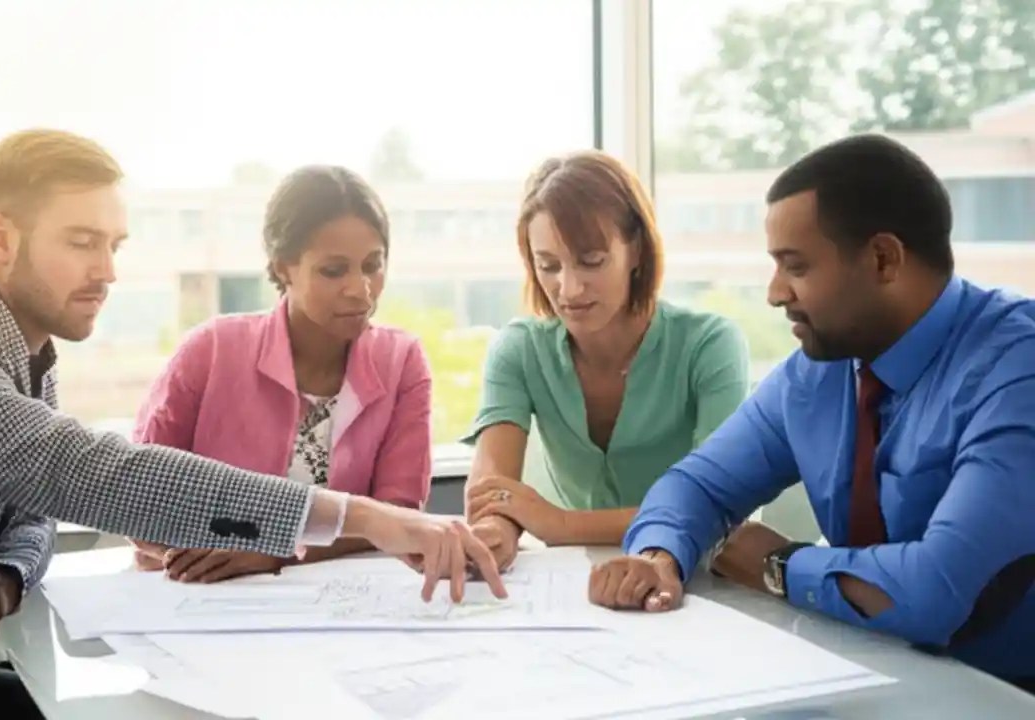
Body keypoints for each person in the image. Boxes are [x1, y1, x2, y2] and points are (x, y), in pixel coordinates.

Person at [0, 129, 505, 720]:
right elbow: (88, 474)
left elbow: (33, 514)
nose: (109, 271)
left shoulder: (20, 356)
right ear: (0, 239)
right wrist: (365, 517)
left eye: (114, 246)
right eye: (82, 242)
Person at [592, 134, 1035, 691]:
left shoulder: (1017, 369)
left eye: (795, 267)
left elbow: (939, 590)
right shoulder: (822, 369)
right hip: (865, 670)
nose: (775, 293)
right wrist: (659, 557)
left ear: (883, 259)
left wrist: (779, 566)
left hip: (1005, 690)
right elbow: (698, 485)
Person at [131, 165, 432, 583]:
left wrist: (278, 551)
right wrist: (215, 551)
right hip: (197, 594)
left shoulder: (402, 361)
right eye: (334, 270)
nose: (360, 289)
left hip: (336, 598)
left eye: (372, 265)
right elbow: (139, 496)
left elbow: (399, 518)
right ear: (283, 267)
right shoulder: (211, 350)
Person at [462, 150, 749, 570]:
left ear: (637, 250)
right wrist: (496, 530)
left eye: (591, 262)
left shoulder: (710, 345)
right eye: (548, 265)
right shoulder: (518, 350)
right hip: (567, 579)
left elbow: (719, 505)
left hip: (689, 573)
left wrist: (560, 524)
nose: (569, 289)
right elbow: (493, 490)